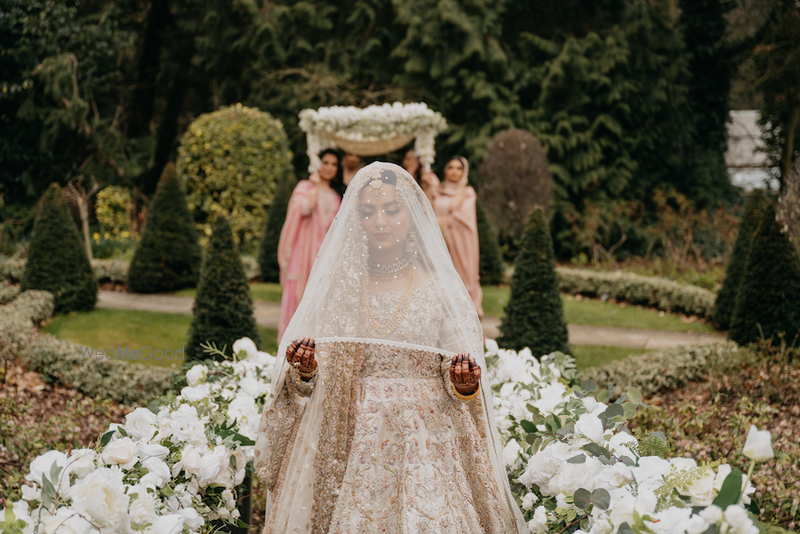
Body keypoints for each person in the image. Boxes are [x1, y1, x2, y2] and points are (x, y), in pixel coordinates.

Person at [254, 162, 526, 534]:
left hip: (429, 438)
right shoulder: (341, 291)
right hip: (354, 434)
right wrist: (305, 369)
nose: (380, 221)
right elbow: (312, 382)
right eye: (368, 212)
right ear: (356, 220)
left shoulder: (440, 288)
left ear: (412, 216)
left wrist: (463, 382)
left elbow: (461, 379)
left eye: (392, 210)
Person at [276, 149, 342, 341]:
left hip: (324, 254)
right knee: (297, 292)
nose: (329, 167)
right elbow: (303, 210)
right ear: (318, 164)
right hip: (302, 253)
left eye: (334, 164)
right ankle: (288, 343)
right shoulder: (305, 187)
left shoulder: (337, 195)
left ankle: (312, 344)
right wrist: (313, 189)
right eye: (326, 162)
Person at [431, 156, 484, 318]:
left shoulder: (467, 193)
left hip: (460, 246)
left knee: (462, 283)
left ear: (464, 172)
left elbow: (463, 219)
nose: (454, 171)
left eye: (458, 168)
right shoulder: (436, 190)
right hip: (436, 245)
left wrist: (438, 222)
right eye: (450, 167)